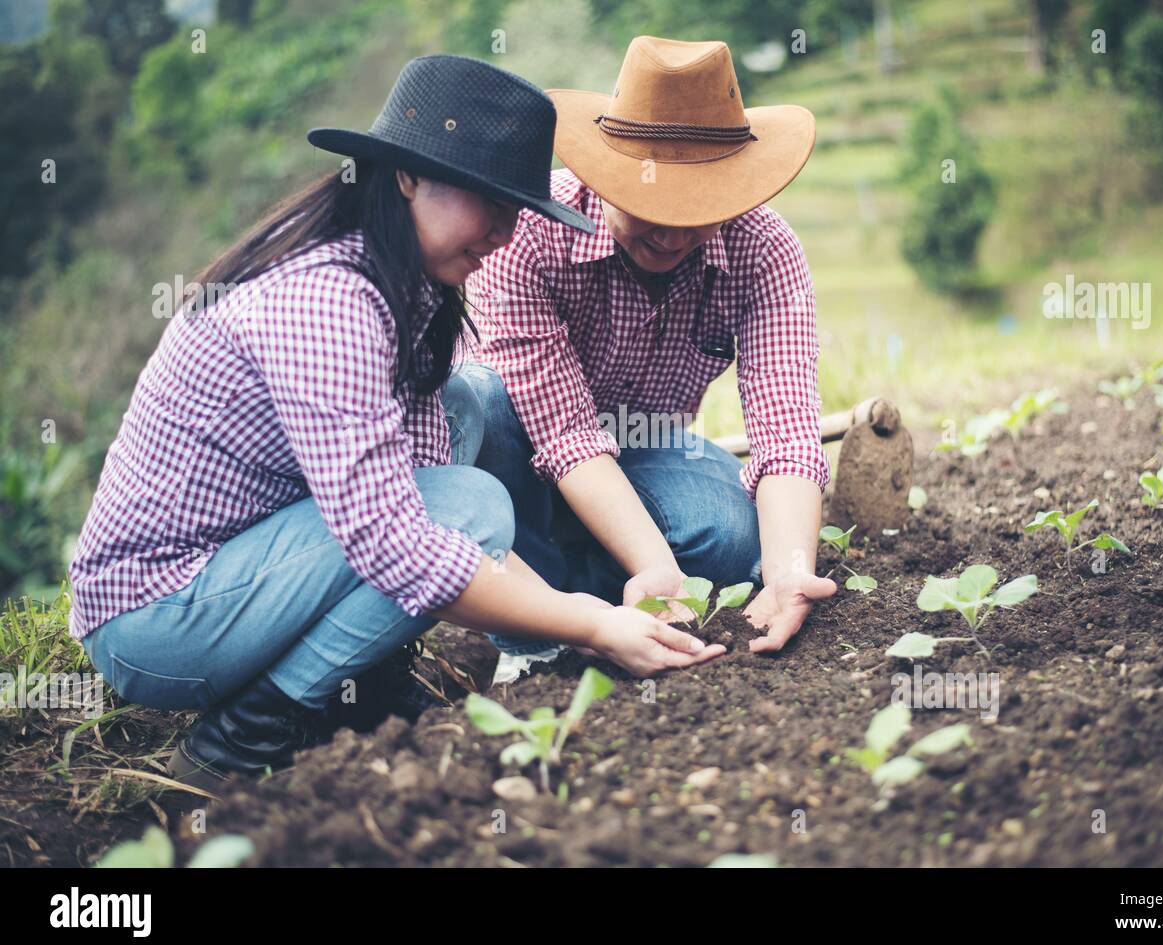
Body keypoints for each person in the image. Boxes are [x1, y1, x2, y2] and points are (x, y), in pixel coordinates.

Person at [67, 54, 723, 792]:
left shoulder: (405, 287)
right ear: (407, 176)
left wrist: (567, 614)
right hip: (158, 618)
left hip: (246, 573)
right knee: (470, 507)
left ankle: (360, 681)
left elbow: (417, 493)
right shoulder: (328, 303)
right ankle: (248, 728)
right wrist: (590, 622)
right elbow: (397, 539)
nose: (505, 234)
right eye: (488, 202)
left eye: (517, 212)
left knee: (463, 418)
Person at [456, 37, 837, 667]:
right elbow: (566, 434)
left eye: (699, 210)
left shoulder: (765, 250)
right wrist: (657, 563)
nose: (672, 232)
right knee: (486, 399)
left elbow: (787, 424)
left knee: (734, 539)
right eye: (650, 205)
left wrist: (790, 569)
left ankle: (595, 581)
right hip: (520, 441)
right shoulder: (527, 235)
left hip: (645, 440)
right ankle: (534, 636)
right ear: (604, 176)